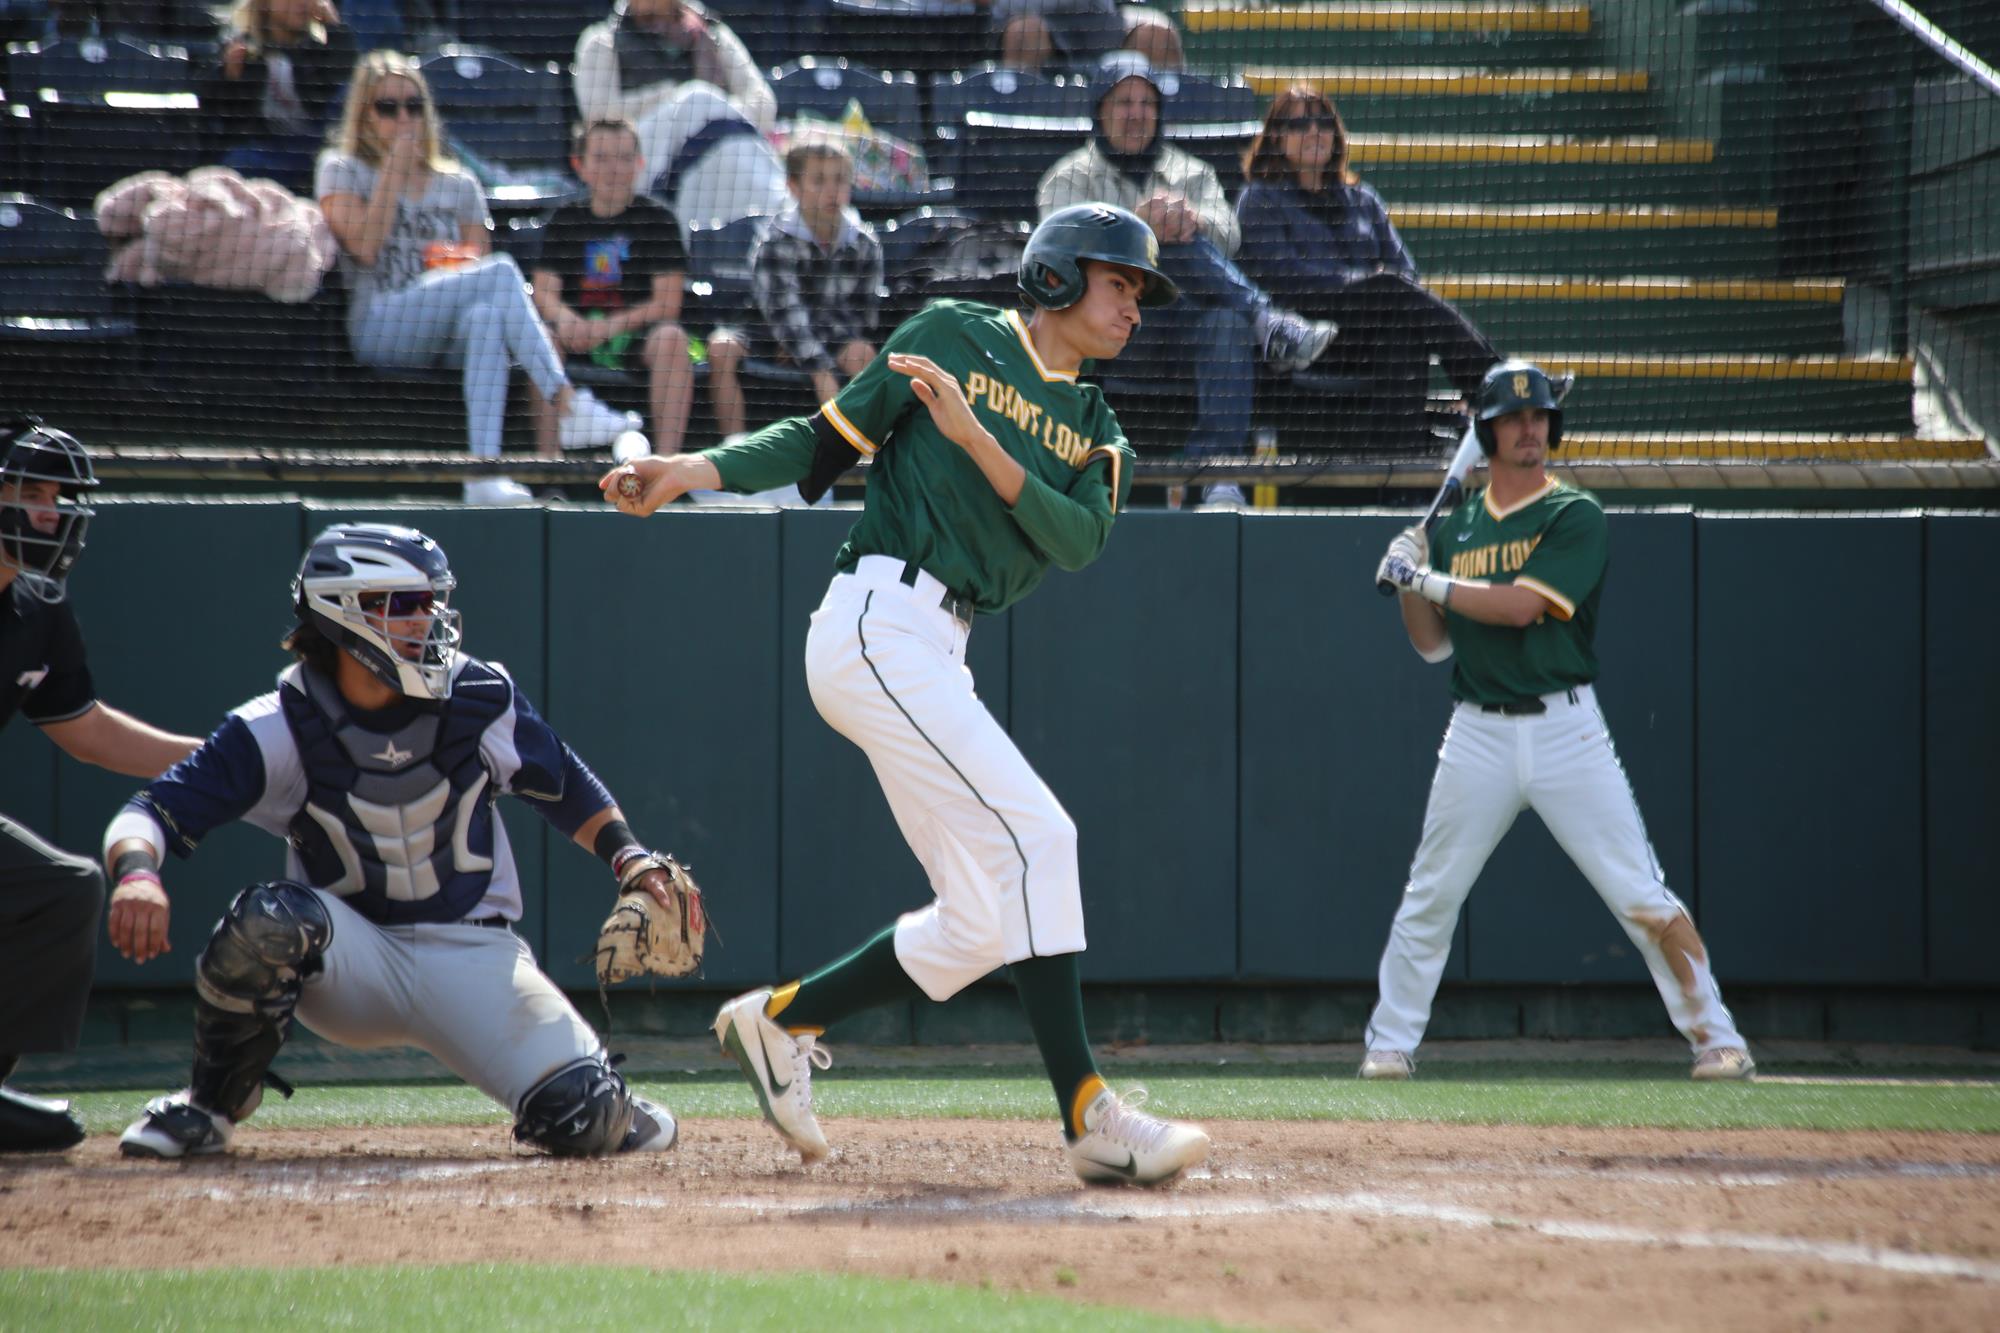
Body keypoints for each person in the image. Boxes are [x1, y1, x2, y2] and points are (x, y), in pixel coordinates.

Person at [598, 204, 1212, 1186]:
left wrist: (974, 441)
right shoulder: (947, 339)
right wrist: (689, 470)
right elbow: (822, 441)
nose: (1132, 305)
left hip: (937, 646)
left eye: (1139, 290)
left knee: (976, 920)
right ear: (1053, 275)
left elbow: (1075, 539)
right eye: (1117, 281)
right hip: (877, 619)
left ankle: (781, 1020)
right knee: (1040, 837)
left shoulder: (1099, 428)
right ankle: (1087, 1109)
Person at [109, 522, 692, 1160]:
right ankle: (209, 1108)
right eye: (407, 604)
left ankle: (613, 1106)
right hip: (352, 961)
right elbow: (151, 811)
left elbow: (566, 786)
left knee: (586, 1121)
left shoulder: (479, 695)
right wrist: (138, 873)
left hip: (474, 951)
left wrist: (629, 857)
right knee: (267, 921)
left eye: (432, 602)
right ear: (344, 613)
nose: (429, 619)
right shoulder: (277, 724)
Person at [1366, 362, 1755, 1084]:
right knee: (1431, 892)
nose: (1530, 430)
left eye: (1539, 417)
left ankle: (1717, 1037)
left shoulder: (1573, 512)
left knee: (1641, 894)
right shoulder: (1457, 527)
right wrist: (1409, 569)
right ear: (1487, 433)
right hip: (1475, 730)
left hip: (1566, 728)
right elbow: (1432, 643)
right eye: (1514, 419)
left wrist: (1425, 579)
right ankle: (1389, 1043)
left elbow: (1519, 607)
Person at [0, 417, 201, 1152]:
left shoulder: (38, 608)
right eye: (27, 490)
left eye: (57, 495)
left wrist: (217, 758)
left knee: (63, 886)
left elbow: (87, 731)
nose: (47, 511)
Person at [315, 51, 638, 505]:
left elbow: (477, 263)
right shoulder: (341, 168)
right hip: (381, 322)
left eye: (413, 105)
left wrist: (449, 266)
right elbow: (365, 249)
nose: (403, 117)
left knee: (487, 313)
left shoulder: (459, 183)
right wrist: (392, 170)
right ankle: (566, 401)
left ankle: (482, 474)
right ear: (363, 115)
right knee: (504, 271)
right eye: (387, 107)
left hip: (445, 325)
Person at [1037, 55, 1335, 506]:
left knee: (1225, 321)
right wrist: (1136, 227)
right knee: (1158, 240)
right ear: (1100, 110)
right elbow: (1053, 254)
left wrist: (1189, 219)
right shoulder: (1068, 176)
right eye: (1123, 102)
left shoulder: (1192, 172)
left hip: (1184, 326)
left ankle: (1220, 477)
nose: (1137, 113)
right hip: (1108, 338)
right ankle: (1269, 320)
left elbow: (1231, 236)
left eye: (1146, 103)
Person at [1235, 85, 1497, 448]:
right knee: (1389, 289)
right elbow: (1284, 279)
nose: (1314, 131)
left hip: (1369, 334)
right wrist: (1360, 282)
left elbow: (1408, 274)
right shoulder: (1259, 198)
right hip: (1303, 338)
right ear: (1277, 137)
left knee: (1402, 332)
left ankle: (1399, 480)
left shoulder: (1363, 198)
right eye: (1298, 124)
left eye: (1323, 121)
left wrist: (1370, 287)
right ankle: (1493, 383)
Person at [530, 117, 700, 460]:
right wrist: (566, 321)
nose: (614, 168)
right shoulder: (564, 220)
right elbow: (543, 292)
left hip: (635, 336)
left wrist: (609, 326)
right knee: (541, 341)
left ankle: (667, 467)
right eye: (602, 158)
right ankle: (548, 467)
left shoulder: (660, 221)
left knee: (672, 339)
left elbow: (667, 303)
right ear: (581, 166)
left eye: (624, 158)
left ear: (639, 164)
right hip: (575, 334)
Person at [748, 140, 883, 414]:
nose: (832, 191)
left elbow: (865, 318)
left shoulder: (865, 243)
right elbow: (784, 314)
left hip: (834, 335)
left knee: (864, 355)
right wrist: (819, 367)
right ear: (793, 186)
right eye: (819, 181)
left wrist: (821, 349)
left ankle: (869, 445)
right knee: (721, 351)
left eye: (841, 180)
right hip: (773, 334)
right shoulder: (774, 243)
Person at [199, 0, 356, 194]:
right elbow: (221, 118)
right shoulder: (239, 48)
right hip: (266, 156)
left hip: (316, 153)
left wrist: (334, 26)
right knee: (239, 160)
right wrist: (228, 77)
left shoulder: (319, 53)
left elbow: (345, 84)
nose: (302, 4)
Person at [574, 0, 776, 135]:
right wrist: (672, 98)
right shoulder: (601, 41)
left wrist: (709, 110)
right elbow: (598, 113)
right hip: (642, 172)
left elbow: (764, 106)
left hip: (717, 160)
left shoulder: (715, 34)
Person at [990, 0, 1184, 73]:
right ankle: (1020, 138)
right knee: (1025, 35)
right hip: (1026, 16)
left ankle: (1174, 142)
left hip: (1099, 17)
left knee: (1159, 38)